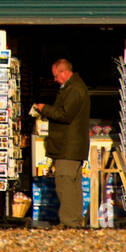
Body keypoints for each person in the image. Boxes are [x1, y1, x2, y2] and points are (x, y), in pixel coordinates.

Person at [36, 59, 90, 228]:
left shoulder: (74, 89)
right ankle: (74, 221)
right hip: (72, 147)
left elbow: (65, 115)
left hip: (68, 146)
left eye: (56, 76)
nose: (55, 80)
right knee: (73, 185)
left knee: (65, 184)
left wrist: (44, 109)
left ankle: (68, 222)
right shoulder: (75, 87)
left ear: (64, 72)